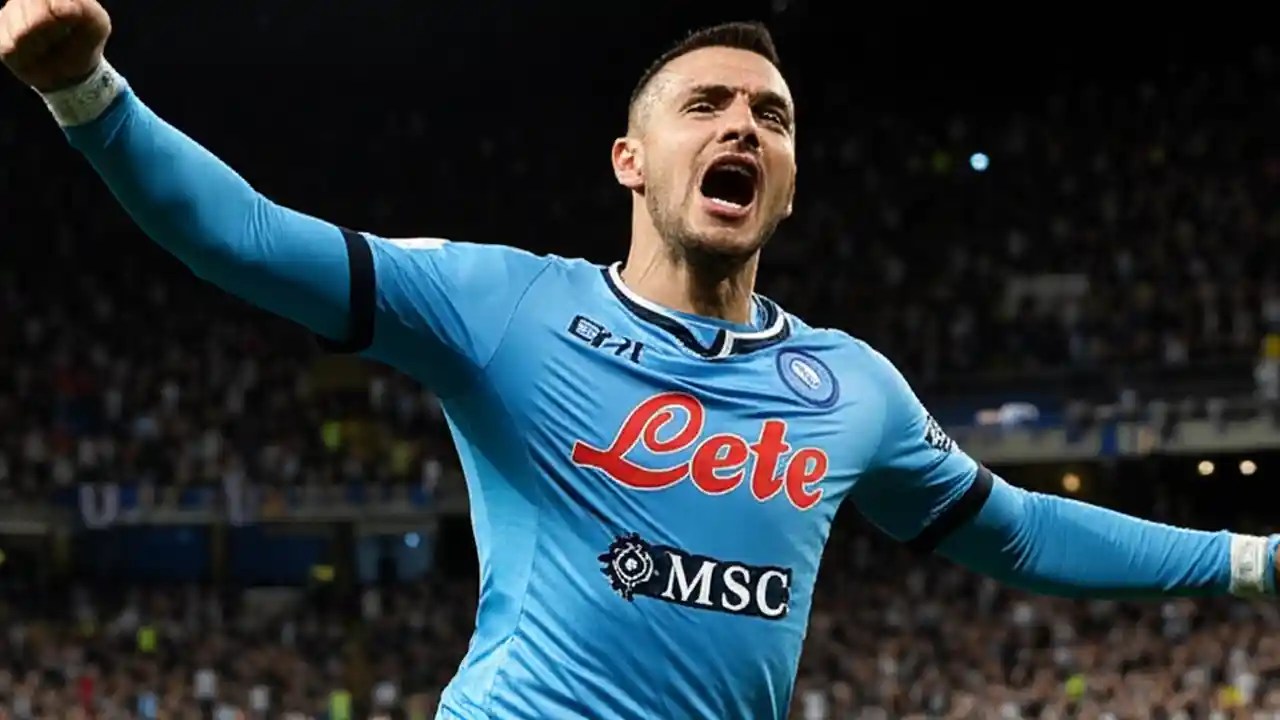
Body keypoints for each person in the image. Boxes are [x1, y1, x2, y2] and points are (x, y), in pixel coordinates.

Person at [1, 3, 1276, 718]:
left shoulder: (852, 387)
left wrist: (1253, 562)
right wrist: (88, 94)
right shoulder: (504, 306)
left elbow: (1015, 532)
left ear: (788, 179)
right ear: (630, 160)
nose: (742, 127)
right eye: (704, 106)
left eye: (770, 117)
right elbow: (243, 238)